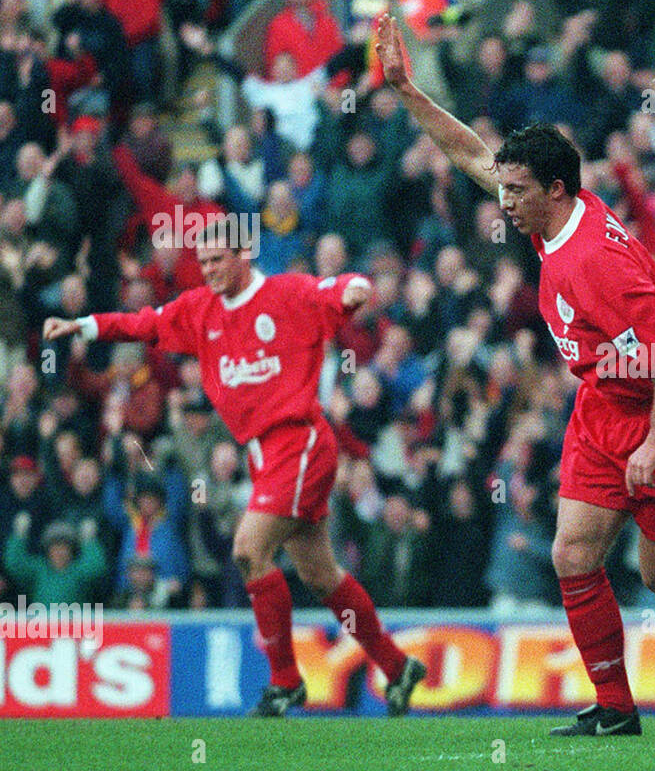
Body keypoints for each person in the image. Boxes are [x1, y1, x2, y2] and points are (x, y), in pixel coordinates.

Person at [375, 13, 655, 737]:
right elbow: (476, 157)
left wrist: (653, 440)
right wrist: (407, 90)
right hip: (602, 407)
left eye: (516, 192)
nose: (503, 202)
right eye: (505, 190)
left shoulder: (593, 263)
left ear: (553, 188)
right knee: (572, 555)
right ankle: (615, 709)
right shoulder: (557, 213)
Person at [43, 226, 426, 717]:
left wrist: (357, 288)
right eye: (203, 263)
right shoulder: (199, 310)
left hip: (301, 441)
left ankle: (285, 681)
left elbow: (342, 288)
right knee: (319, 574)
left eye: (218, 260)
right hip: (263, 454)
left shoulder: (287, 293)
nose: (209, 270)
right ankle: (396, 666)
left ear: (245, 253)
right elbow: (146, 323)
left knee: (249, 550)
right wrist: (85, 325)